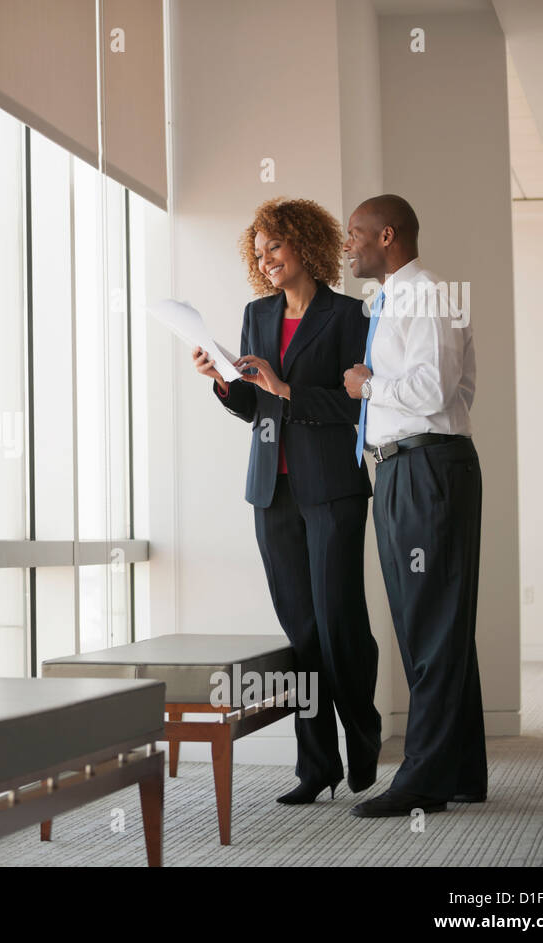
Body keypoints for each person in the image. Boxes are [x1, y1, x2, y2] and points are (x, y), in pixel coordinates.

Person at [193, 197, 382, 805]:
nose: (267, 259)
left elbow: (359, 403)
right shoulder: (257, 314)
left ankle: (364, 735)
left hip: (332, 489)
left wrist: (286, 386)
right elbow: (258, 409)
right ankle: (316, 763)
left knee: (339, 622)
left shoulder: (351, 316)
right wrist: (227, 385)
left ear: (304, 243)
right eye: (259, 252)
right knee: (301, 630)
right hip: (271, 491)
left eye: (275, 246)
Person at [342, 194, 485, 818]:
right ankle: (460, 771)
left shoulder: (428, 294)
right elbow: (453, 386)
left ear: (387, 235)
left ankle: (423, 778)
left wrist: (369, 386)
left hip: (427, 467)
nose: (349, 245)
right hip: (403, 468)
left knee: (430, 622)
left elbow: (437, 390)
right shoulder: (391, 300)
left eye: (355, 234)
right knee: (434, 620)